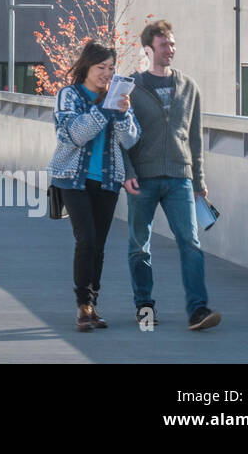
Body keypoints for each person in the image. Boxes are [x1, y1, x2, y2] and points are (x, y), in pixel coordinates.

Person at [125, 20, 221, 331]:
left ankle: (198, 309)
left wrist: (200, 180)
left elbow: (195, 139)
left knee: (190, 242)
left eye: (173, 44)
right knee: (140, 244)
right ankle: (144, 306)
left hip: (181, 178)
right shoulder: (131, 87)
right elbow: (120, 134)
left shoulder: (189, 87)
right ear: (149, 49)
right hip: (143, 178)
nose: (171, 50)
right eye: (164, 45)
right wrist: (127, 173)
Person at [47, 40, 140, 331]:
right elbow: (72, 134)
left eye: (112, 68)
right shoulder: (69, 95)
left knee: (98, 245)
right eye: (101, 67)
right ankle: (83, 306)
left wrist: (122, 114)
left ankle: (92, 305)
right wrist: (104, 109)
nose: (107, 74)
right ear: (86, 66)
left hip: (108, 180)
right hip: (72, 179)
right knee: (85, 238)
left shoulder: (118, 97)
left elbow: (131, 139)